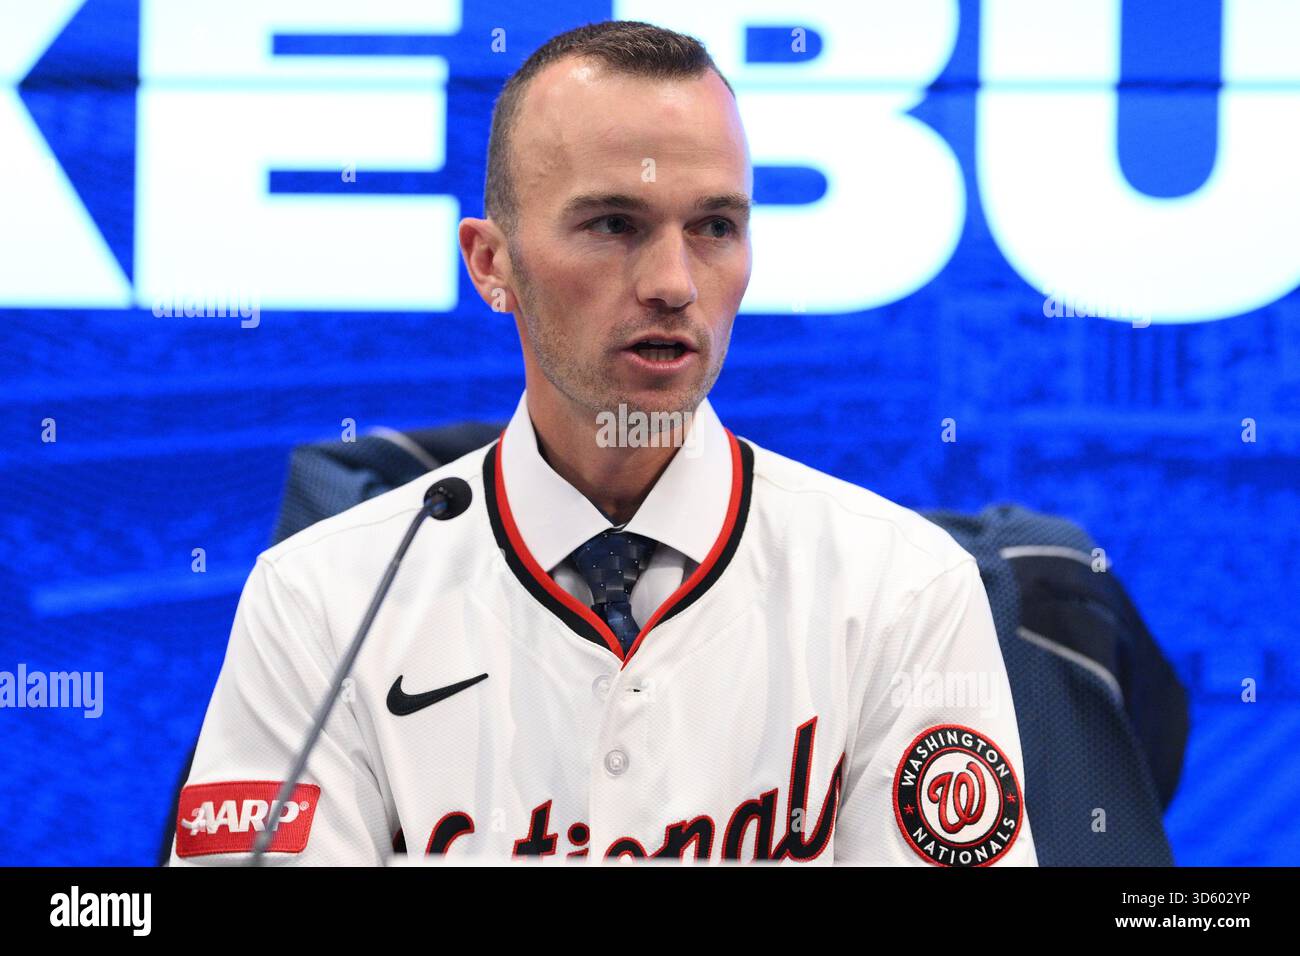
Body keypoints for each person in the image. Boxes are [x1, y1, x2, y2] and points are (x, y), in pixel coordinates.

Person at [170, 20, 1037, 865]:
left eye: (715, 227)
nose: (673, 284)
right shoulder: (321, 598)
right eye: (615, 224)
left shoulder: (905, 588)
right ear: (491, 263)